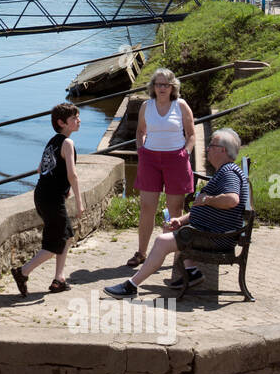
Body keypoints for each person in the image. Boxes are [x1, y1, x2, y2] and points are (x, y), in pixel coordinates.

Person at [105, 128, 248, 297]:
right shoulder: (225, 171)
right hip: (214, 233)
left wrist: (206, 199)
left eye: (211, 146)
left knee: (161, 241)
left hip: (217, 239)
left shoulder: (228, 173)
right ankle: (191, 271)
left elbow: (232, 200)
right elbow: (204, 209)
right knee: (171, 228)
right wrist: (181, 220)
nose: (207, 148)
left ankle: (131, 286)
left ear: (222, 150)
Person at [124, 68, 195, 272]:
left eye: (166, 85)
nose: (162, 88)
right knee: (147, 207)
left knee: (176, 210)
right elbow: (140, 131)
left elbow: (191, 134)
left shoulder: (180, 105)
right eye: (158, 84)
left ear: (173, 87)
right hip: (150, 160)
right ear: (153, 87)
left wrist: (185, 154)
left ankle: (177, 255)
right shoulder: (147, 106)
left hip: (176, 159)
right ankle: (141, 252)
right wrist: (141, 151)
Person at [12, 103, 85, 295]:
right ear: (62, 122)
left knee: (67, 236)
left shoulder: (53, 141)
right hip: (52, 198)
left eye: (78, 117)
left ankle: (58, 279)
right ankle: (22, 271)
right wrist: (79, 201)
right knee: (55, 244)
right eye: (74, 118)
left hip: (42, 194)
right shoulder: (68, 143)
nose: (79, 120)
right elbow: (73, 175)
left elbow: (40, 169)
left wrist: (62, 187)